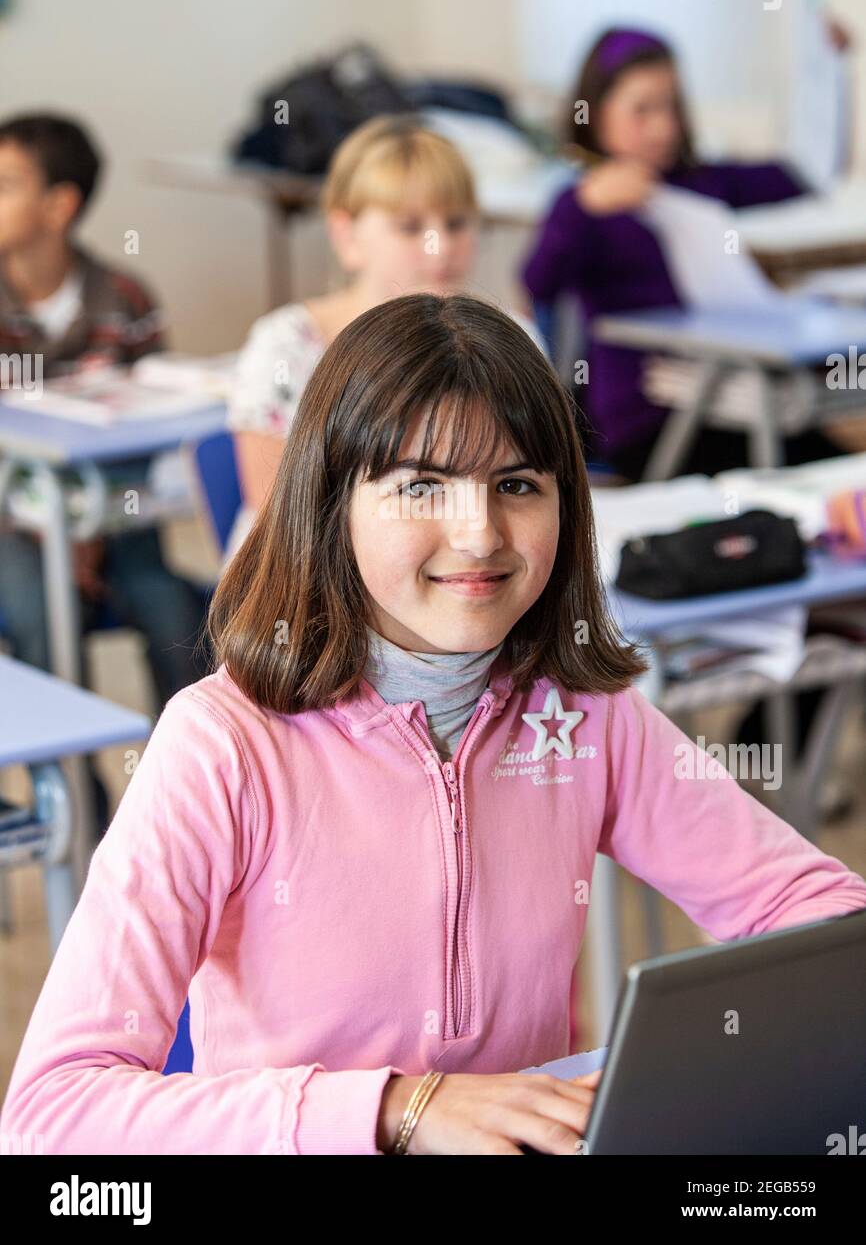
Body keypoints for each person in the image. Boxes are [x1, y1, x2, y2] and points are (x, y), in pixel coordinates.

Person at [2, 293, 864, 1156]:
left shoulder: (583, 713)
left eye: (517, 484)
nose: (480, 533)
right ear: (332, 507)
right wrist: (394, 1109)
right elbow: (53, 1115)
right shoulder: (220, 746)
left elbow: (823, 915)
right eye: (422, 485)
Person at [0, 114, 211, 833]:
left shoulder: (124, 297)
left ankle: (186, 807)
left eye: (6, 185)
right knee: (37, 616)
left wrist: (94, 527)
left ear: (60, 206)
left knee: (176, 612)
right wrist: (48, 528)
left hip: (120, 517)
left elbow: (158, 435)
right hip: (11, 529)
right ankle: (80, 828)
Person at [521, 26, 847, 481]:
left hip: (726, 397)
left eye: (671, 105)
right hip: (645, 420)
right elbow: (536, 283)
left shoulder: (696, 183)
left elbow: (804, 173)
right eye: (643, 109)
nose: (663, 126)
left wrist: (829, 71)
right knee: (807, 468)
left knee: (835, 458)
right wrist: (583, 207)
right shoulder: (580, 201)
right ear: (594, 113)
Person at [226, 113, 547, 557]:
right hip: (311, 581)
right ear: (347, 235)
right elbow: (279, 516)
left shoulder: (515, 338)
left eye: (456, 223)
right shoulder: (288, 344)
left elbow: (541, 481)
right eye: (410, 227)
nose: (441, 244)